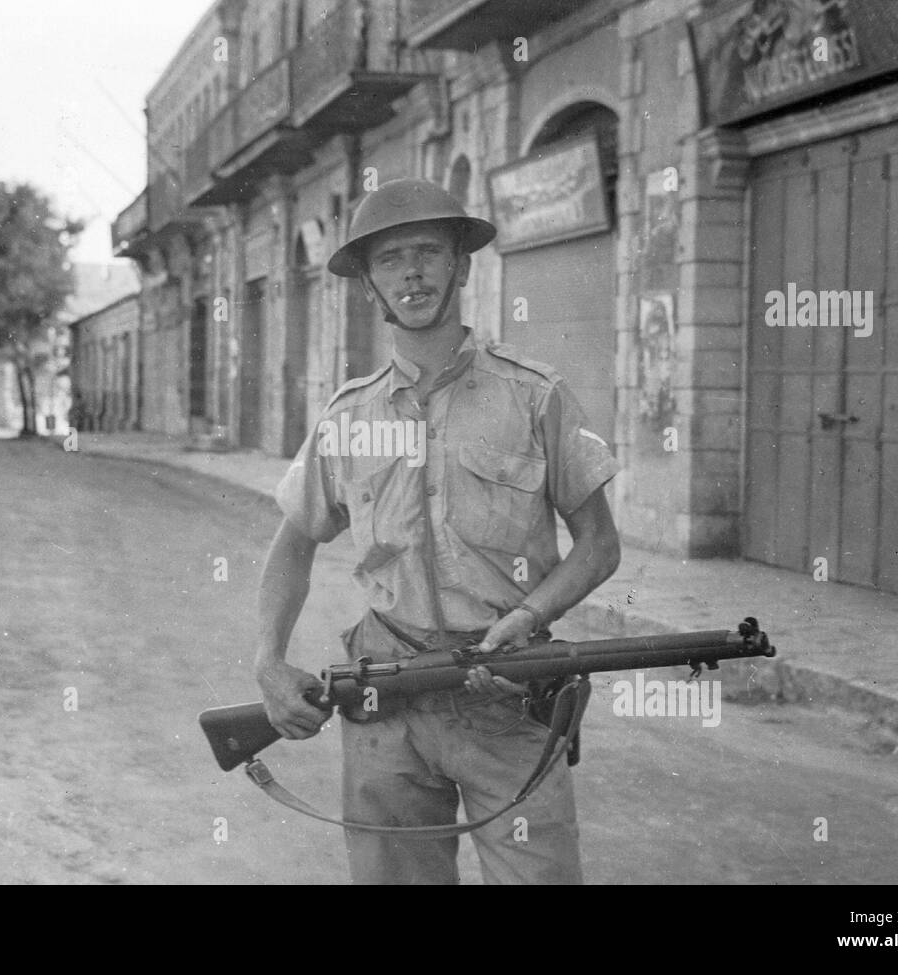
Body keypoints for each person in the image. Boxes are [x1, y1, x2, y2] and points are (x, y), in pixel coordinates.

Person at [254, 178, 622, 884]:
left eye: (428, 252)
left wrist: (527, 615)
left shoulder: (533, 395)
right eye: (390, 260)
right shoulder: (346, 418)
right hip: (385, 705)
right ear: (369, 286)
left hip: (508, 696)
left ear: (463, 266)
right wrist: (269, 661)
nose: (412, 272)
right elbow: (293, 542)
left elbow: (600, 544)